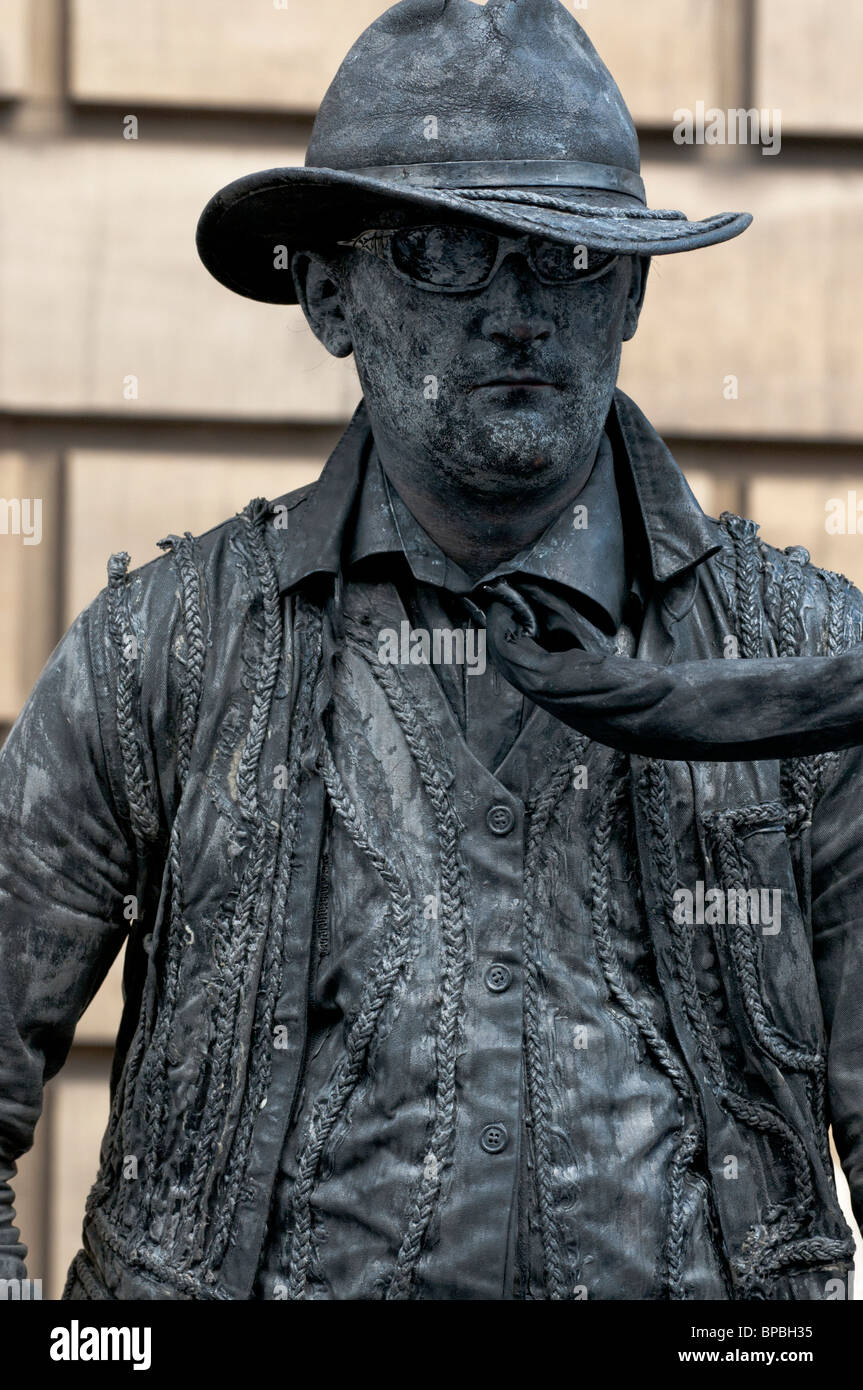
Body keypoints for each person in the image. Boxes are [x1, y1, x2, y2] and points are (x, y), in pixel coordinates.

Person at [1, 0, 860, 1301]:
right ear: (328, 297)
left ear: (631, 292)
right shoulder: (161, 653)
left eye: (569, 256)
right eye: (447, 252)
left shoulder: (806, 668)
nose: (520, 312)